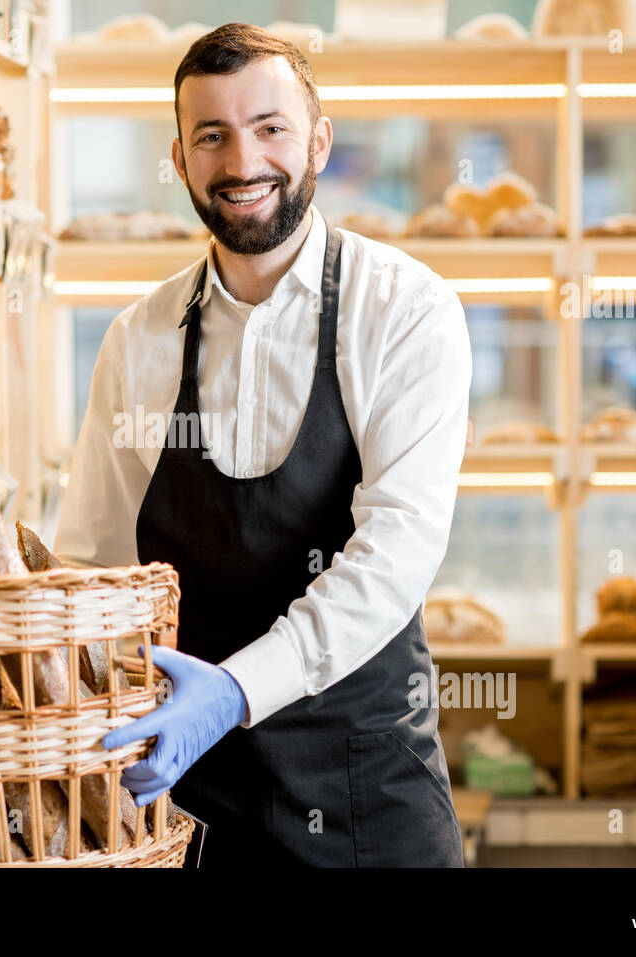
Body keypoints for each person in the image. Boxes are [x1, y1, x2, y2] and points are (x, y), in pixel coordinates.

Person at [53, 22, 472, 867]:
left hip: (367, 795)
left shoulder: (404, 311)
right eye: (212, 135)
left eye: (270, 128)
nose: (243, 162)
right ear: (180, 159)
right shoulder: (139, 339)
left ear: (319, 140)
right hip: (188, 800)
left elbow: (397, 550)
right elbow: (90, 567)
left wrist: (235, 690)